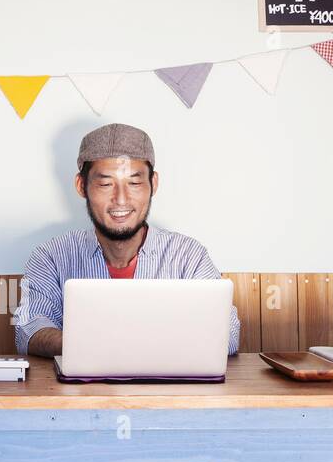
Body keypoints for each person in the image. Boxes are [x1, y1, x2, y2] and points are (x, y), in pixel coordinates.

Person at [15, 122, 240, 357]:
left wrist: (129, 343)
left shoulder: (188, 256)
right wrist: (94, 344)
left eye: (134, 183)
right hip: (83, 393)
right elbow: (28, 330)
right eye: (105, 183)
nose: (121, 200)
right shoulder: (51, 256)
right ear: (82, 186)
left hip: (168, 392)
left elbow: (229, 333)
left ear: (153, 184)